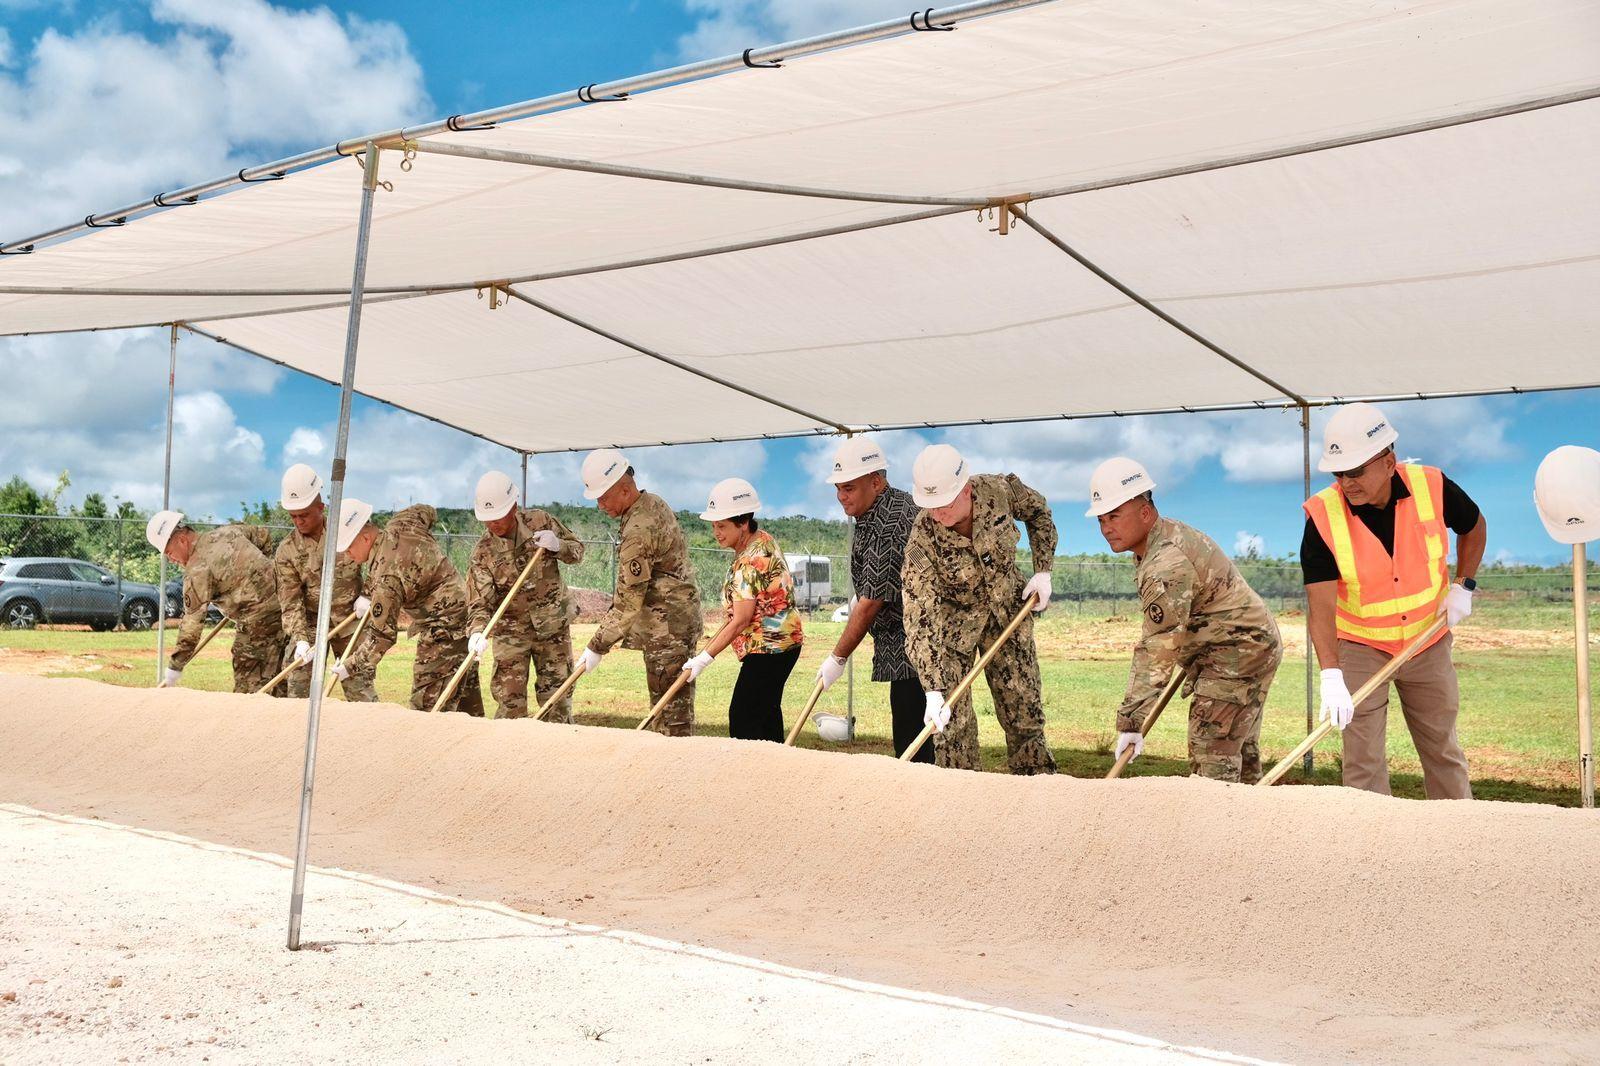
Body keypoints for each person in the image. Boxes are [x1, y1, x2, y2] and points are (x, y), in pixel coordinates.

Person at [1302, 402, 1485, 799]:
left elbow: (1473, 526)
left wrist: (1463, 585)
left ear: (1388, 462)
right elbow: (1321, 607)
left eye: (1355, 471)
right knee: (1362, 760)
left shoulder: (1431, 485)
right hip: (1361, 647)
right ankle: (1371, 834)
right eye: (1338, 473)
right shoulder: (1322, 517)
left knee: (1442, 747)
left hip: (1427, 640)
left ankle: (1459, 828)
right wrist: (1331, 675)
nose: (1346, 483)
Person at [1087, 458, 1282, 782]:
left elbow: (1158, 647)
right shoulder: (1160, 540)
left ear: (1145, 512)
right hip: (1244, 644)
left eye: (1115, 516)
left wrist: (1131, 721)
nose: (1106, 527)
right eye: (1101, 519)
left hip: (1236, 652)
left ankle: (1217, 814)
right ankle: (1248, 811)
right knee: (1236, 747)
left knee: (1212, 750)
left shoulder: (1166, 563)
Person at [901, 444, 1057, 774]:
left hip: (1008, 616)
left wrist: (1043, 569)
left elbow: (1039, 513)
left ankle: (1038, 790)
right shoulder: (922, 537)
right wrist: (932, 688)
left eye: (943, 504)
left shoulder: (999, 491)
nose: (937, 515)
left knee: (1024, 716)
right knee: (951, 728)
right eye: (929, 506)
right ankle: (961, 797)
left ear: (966, 489)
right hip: (954, 631)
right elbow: (918, 614)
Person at [815, 435, 929, 761]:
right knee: (910, 733)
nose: (841, 496)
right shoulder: (879, 509)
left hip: (918, 644)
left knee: (914, 741)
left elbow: (870, 604)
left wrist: (837, 658)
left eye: (849, 488)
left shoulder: (889, 522)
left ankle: (919, 788)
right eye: (838, 488)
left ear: (876, 482)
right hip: (905, 642)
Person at [575, 450, 702, 736]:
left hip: (667, 629)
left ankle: (674, 760)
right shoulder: (652, 502)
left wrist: (597, 646)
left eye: (603, 498)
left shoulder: (638, 530)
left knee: (669, 716)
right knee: (671, 706)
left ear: (624, 489)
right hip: (675, 622)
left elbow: (627, 602)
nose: (599, 506)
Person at [680, 478, 804, 742]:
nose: (716, 532)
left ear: (743, 522)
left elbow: (740, 620)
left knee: (744, 719)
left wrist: (704, 658)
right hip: (782, 644)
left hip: (768, 649)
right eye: (714, 525)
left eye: (722, 525)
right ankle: (775, 763)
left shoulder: (749, 562)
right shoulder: (762, 539)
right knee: (766, 714)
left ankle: (755, 767)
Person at [333, 500, 483, 715]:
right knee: (466, 706)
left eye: (348, 548)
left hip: (443, 628)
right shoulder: (403, 522)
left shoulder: (387, 578)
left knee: (426, 709)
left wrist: (349, 666)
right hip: (465, 614)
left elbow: (381, 637)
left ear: (365, 538)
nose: (348, 555)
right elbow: (427, 511)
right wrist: (368, 592)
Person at [465, 471, 585, 721]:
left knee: (557, 703)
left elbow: (577, 551)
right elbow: (480, 603)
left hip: (552, 628)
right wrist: (477, 631)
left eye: (497, 517)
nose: (492, 524)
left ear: (513, 507)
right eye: (487, 519)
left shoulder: (540, 521)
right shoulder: (482, 554)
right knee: (509, 705)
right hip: (511, 633)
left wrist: (558, 545)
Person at [145, 510, 287, 695]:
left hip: (256, 622)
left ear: (182, 540)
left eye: (169, 553)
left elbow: (192, 624)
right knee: (280, 676)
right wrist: (260, 572)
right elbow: (263, 534)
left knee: (248, 684)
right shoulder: (229, 532)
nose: (171, 560)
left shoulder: (197, 569)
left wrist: (175, 666)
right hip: (287, 607)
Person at [272, 464, 376, 702]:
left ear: (321, 507)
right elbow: (290, 602)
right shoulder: (286, 551)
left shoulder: (346, 530)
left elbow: (378, 561)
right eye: (293, 516)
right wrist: (300, 638)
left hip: (350, 620)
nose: (298, 521)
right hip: (310, 624)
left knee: (360, 687)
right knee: (298, 683)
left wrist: (368, 593)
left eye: (304, 515)